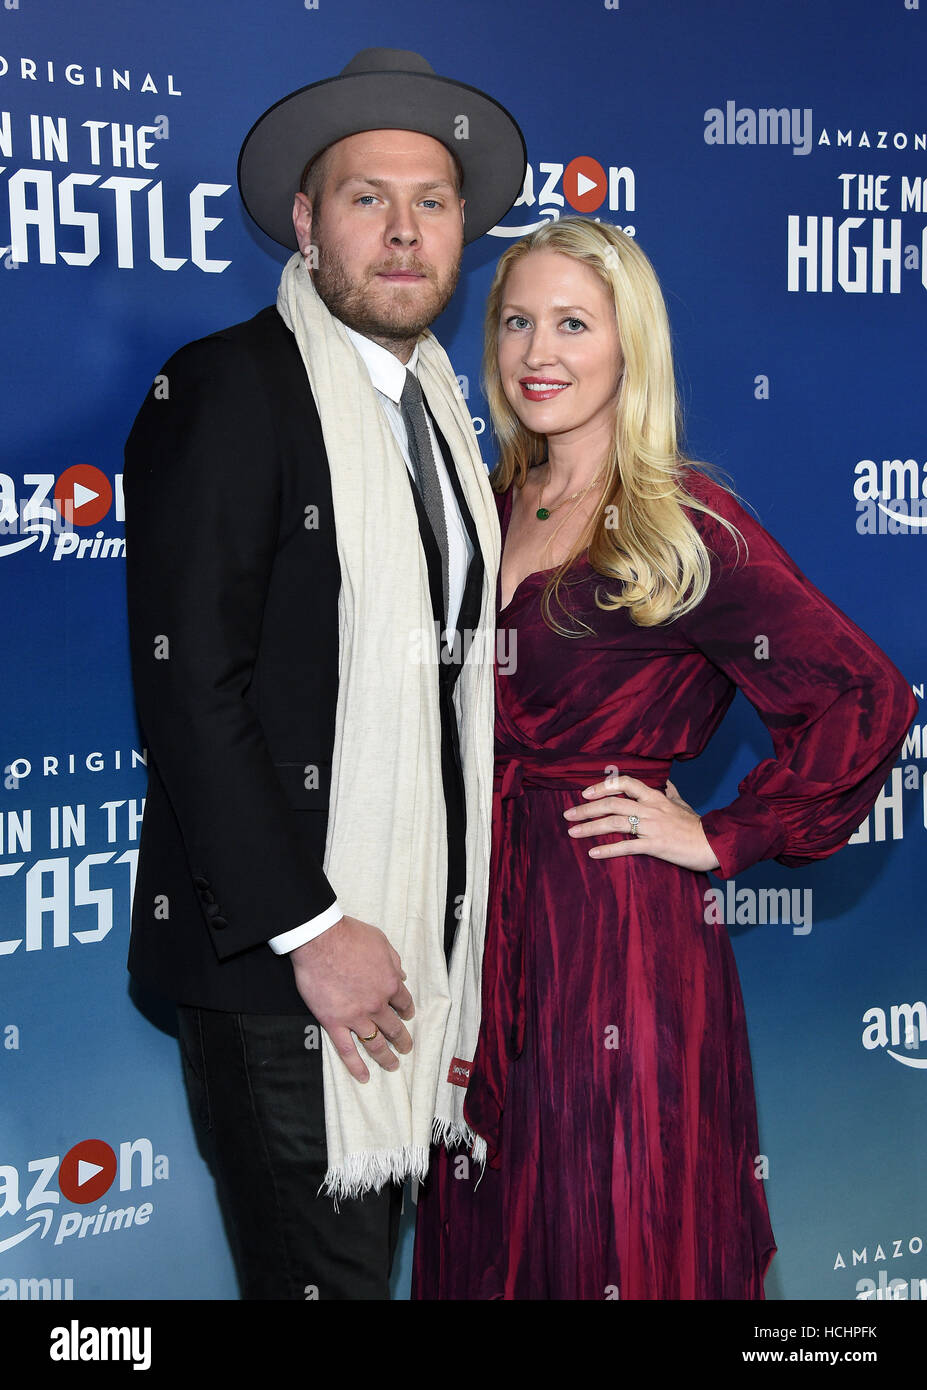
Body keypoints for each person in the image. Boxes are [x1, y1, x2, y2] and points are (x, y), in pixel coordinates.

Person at [411, 216, 917, 1300]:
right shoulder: (481, 508)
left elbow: (865, 694)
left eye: (573, 323)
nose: (538, 351)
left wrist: (726, 830)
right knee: (496, 1221)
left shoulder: (683, 522)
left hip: (616, 935)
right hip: (479, 935)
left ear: (629, 346)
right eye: (515, 322)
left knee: (613, 1222)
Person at [123, 48, 525, 1299]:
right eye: (367, 198)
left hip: (409, 950)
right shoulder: (229, 385)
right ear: (305, 222)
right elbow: (189, 690)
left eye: (434, 201)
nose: (404, 234)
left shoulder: (445, 421)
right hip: (286, 964)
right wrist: (312, 926)